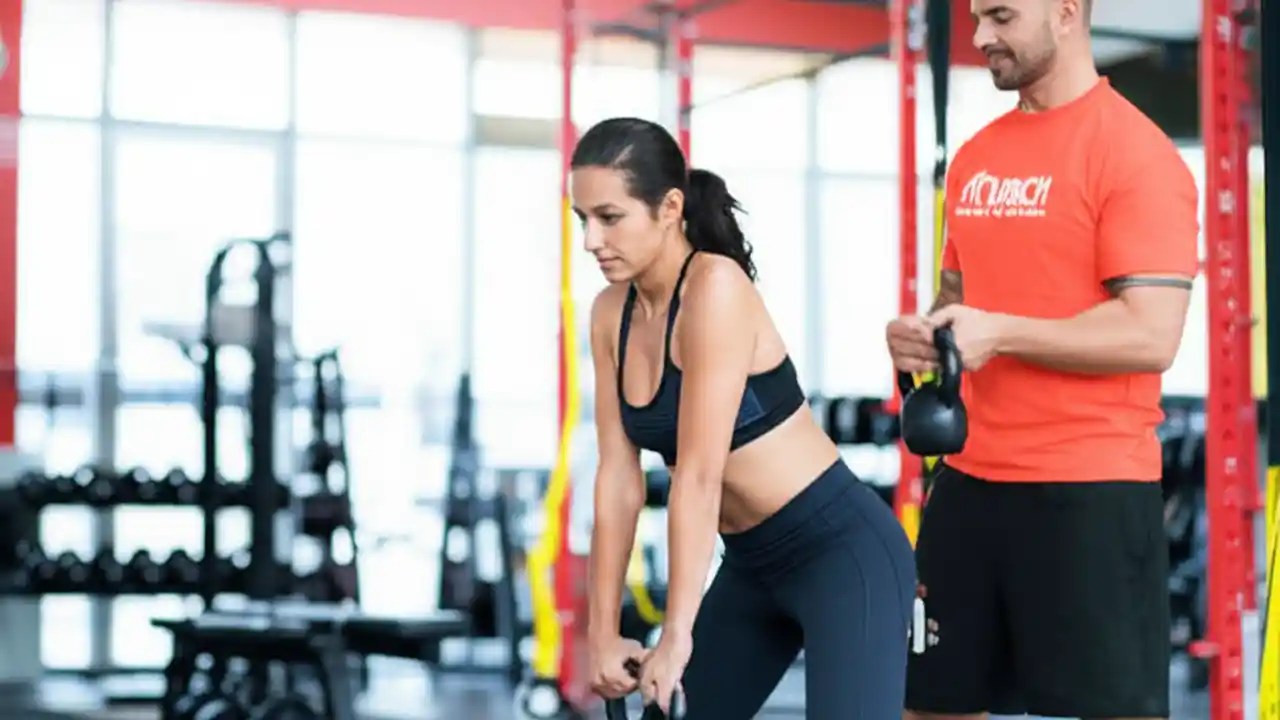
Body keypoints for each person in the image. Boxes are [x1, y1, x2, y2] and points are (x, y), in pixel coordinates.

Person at [887, 1, 1199, 719]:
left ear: (1065, 12)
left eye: (1001, 15)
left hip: (1087, 493)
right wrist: (924, 334)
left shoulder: (1135, 153)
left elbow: (1150, 335)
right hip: (966, 487)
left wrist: (1003, 333)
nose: (979, 36)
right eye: (974, 17)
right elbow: (959, 299)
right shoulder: (976, 158)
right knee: (931, 706)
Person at [575, 116, 916, 719]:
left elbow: (699, 475)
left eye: (609, 217)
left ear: (669, 207)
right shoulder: (610, 314)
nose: (591, 240)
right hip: (752, 564)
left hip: (842, 553)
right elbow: (617, 481)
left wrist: (677, 633)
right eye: (583, 220)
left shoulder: (714, 288)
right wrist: (601, 632)